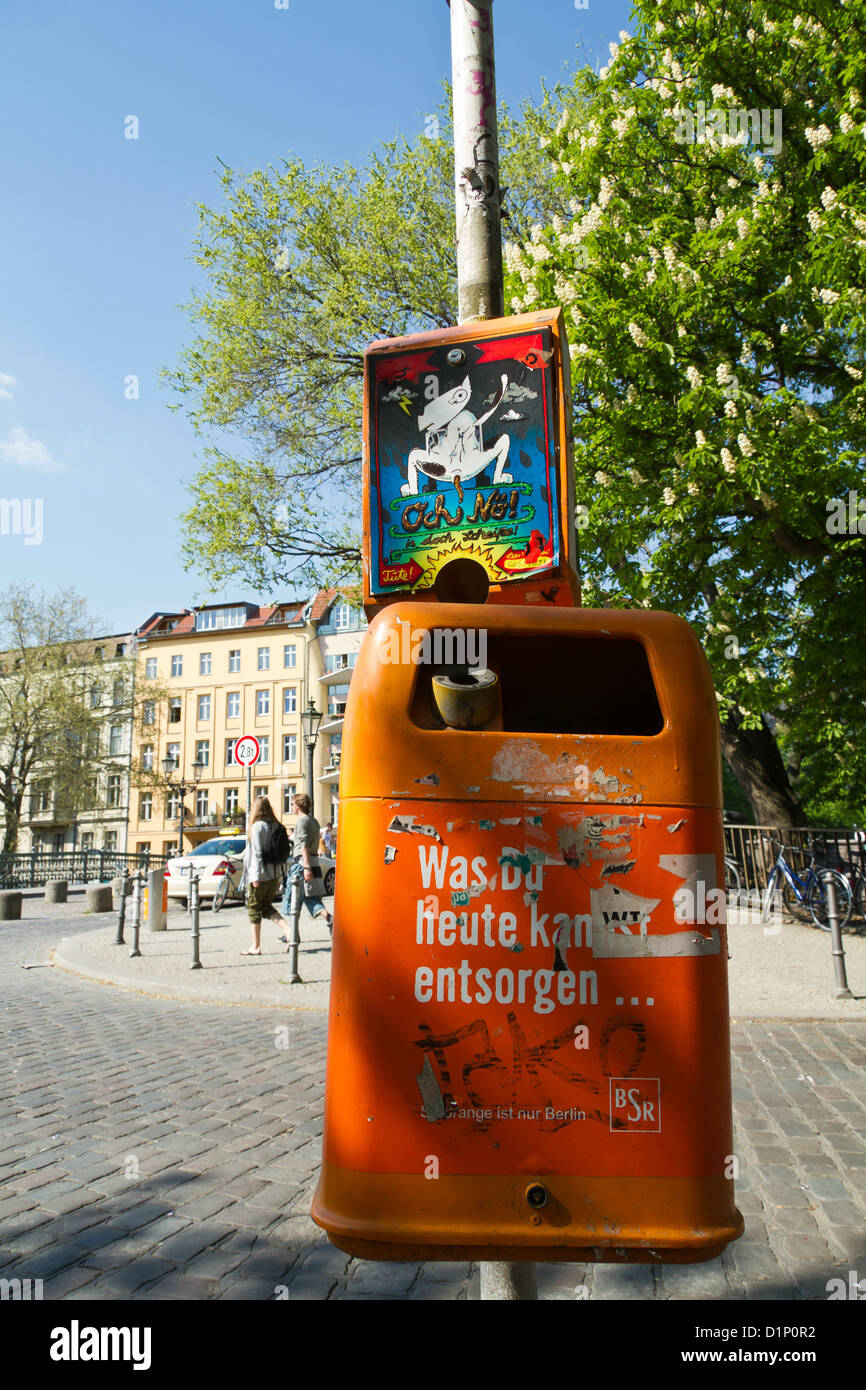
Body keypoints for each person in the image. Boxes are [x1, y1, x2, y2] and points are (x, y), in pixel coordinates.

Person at [241, 795, 291, 955]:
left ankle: (256, 946)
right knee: (266, 906)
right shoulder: (276, 825)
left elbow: (256, 853)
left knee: (253, 908)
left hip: (260, 874)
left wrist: (254, 877)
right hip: (273, 874)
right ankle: (288, 930)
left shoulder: (257, 826)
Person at [282, 792, 333, 935]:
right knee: (311, 898)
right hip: (313, 862)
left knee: (292, 901)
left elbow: (303, 845)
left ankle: (291, 935)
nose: (291, 807)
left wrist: (305, 866)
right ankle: (329, 918)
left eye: (292, 804)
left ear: (298, 806)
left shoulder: (301, 821)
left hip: (302, 864)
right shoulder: (314, 821)